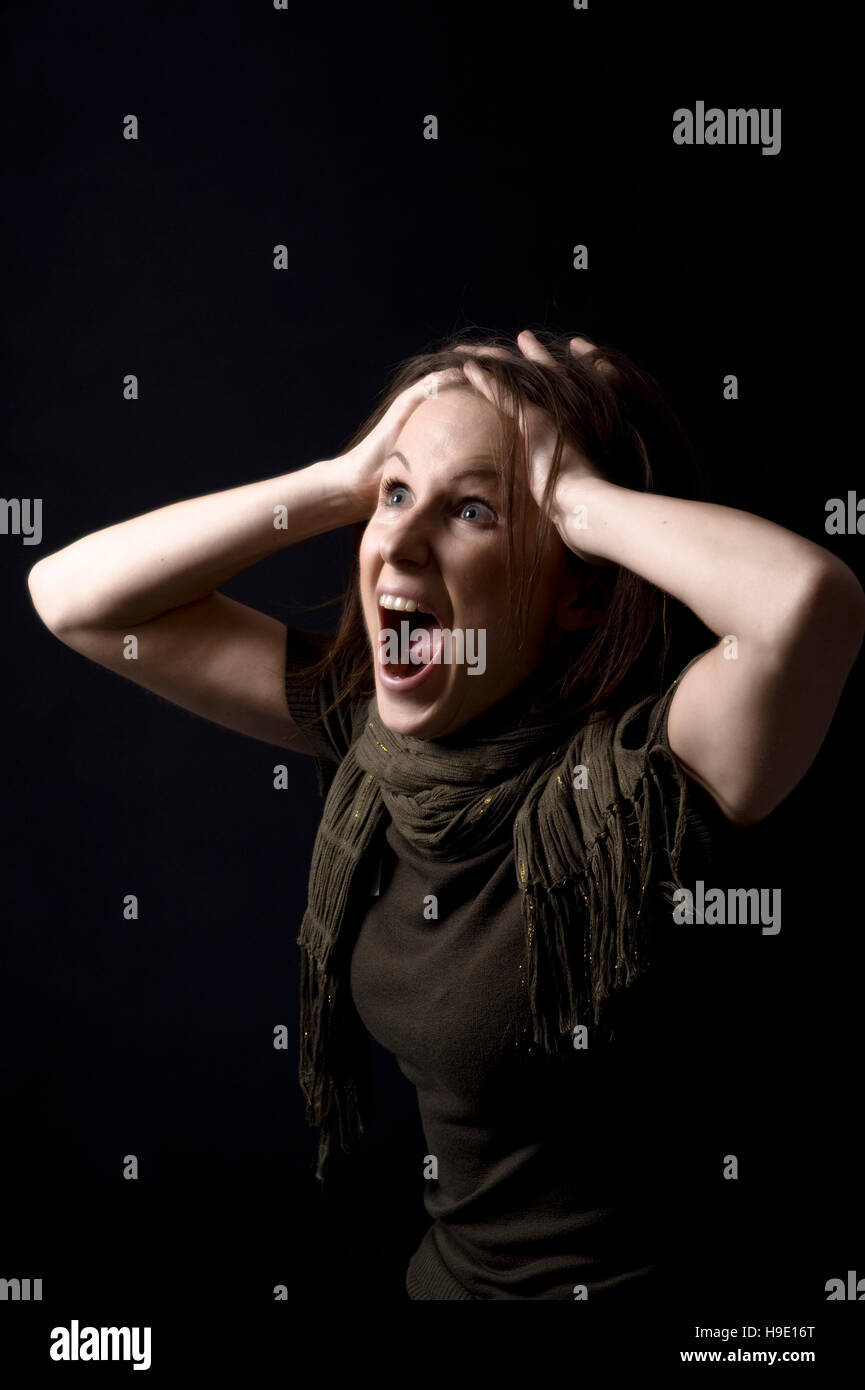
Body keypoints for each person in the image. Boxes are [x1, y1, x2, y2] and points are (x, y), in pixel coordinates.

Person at [27, 328, 865, 1301]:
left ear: (579, 589)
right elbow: (73, 598)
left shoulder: (652, 780)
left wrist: (571, 494)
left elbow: (806, 604)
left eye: (472, 508)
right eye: (395, 498)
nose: (399, 542)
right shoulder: (379, 740)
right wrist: (346, 477)